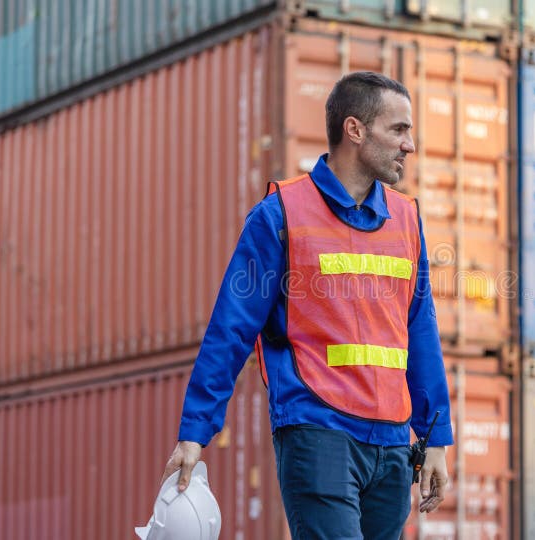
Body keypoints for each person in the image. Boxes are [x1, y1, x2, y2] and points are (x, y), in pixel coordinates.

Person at [160, 71, 454, 539]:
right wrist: (195, 431)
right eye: (398, 130)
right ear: (354, 130)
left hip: (394, 445)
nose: (410, 145)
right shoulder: (281, 215)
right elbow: (231, 329)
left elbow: (420, 330)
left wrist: (435, 436)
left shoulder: (406, 219)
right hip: (318, 433)